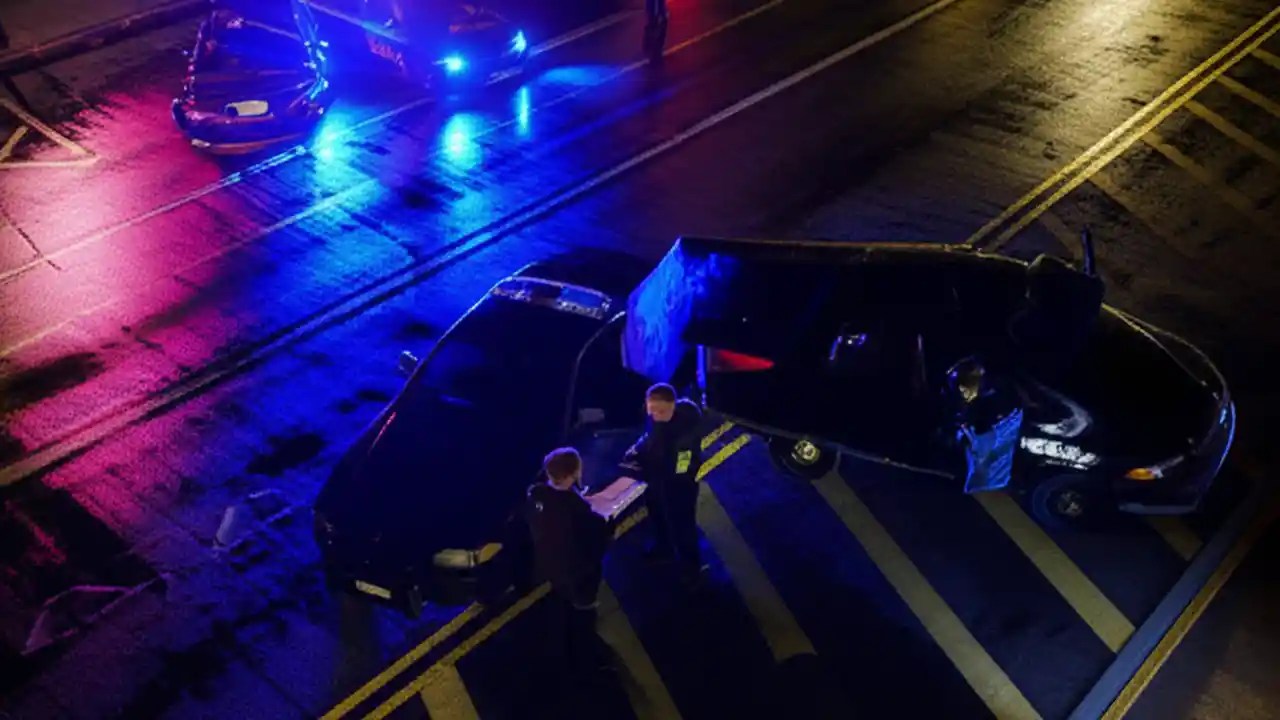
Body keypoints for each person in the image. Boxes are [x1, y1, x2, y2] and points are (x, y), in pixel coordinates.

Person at [524, 447, 615, 674]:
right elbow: (598, 539)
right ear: (572, 474)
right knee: (584, 614)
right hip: (579, 573)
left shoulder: (536, 495)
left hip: (552, 567)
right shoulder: (579, 511)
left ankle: (567, 650)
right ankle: (591, 659)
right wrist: (608, 524)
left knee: (564, 607)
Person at [623, 383, 707, 586]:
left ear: (672, 406)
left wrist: (671, 480)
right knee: (658, 515)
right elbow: (649, 436)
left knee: (682, 526)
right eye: (651, 410)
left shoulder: (685, 435)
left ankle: (691, 568)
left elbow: (683, 467)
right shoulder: (657, 416)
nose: (654, 415)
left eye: (659, 411)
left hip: (678, 486)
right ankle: (664, 548)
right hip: (656, 480)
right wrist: (635, 451)